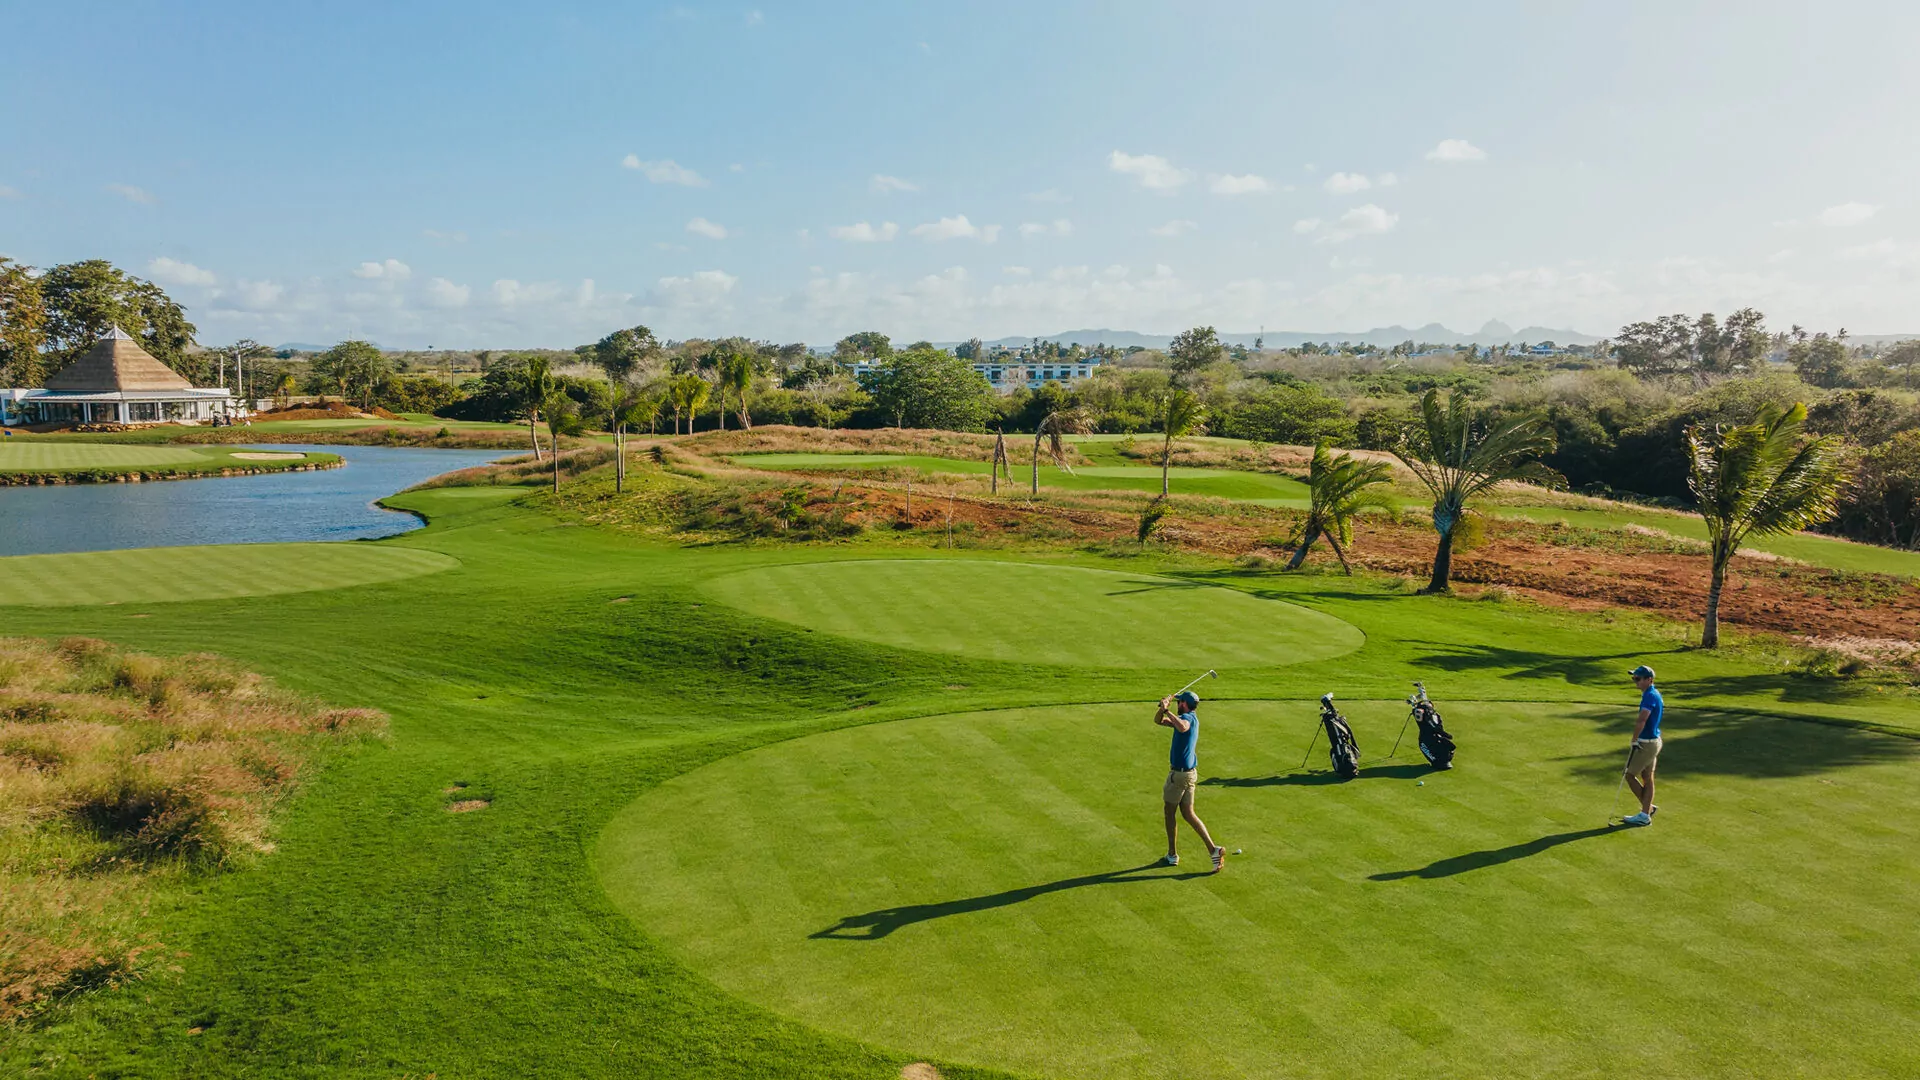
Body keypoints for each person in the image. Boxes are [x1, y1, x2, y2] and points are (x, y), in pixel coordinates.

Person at [1155, 690, 1225, 872]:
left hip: (1179, 776)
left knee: (1169, 812)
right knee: (1188, 813)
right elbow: (1158, 721)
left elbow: (1183, 727)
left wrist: (1167, 710)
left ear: (1184, 704)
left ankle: (1172, 855)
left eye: (1179, 702)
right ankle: (1214, 850)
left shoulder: (1187, 719)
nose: (1177, 704)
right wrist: (1162, 709)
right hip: (1189, 775)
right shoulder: (1188, 718)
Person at [1621, 665, 1663, 826]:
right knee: (1647, 777)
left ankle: (1646, 812)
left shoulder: (1650, 696)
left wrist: (1634, 739)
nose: (1635, 681)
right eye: (1634, 678)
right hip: (1654, 742)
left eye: (1638, 679)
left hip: (1646, 743)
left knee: (1629, 774)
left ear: (1649, 680)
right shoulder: (1652, 694)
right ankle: (1646, 811)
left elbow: (1642, 720)